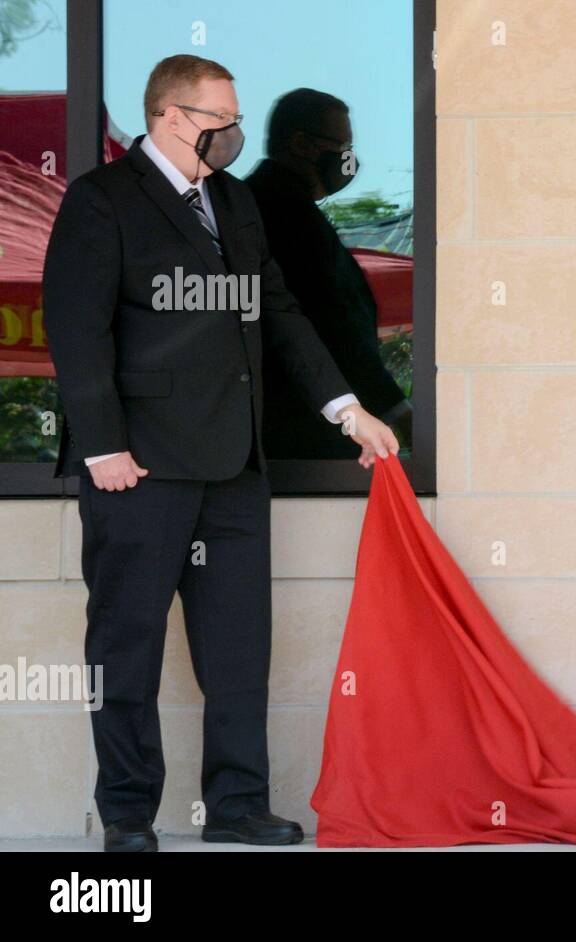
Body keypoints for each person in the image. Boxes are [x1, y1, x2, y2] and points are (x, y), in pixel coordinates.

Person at [42, 54, 398, 851]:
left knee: (240, 650)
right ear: (170, 116)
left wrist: (347, 409)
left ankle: (237, 806)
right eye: (220, 120)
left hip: (235, 467)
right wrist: (102, 445)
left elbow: (280, 314)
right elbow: (76, 327)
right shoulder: (101, 201)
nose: (234, 133)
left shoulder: (234, 202)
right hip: (138, 467)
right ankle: (128, 816)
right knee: (125, 649)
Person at [245, 88, 411, 458]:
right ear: (303, 145)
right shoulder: (284, 212)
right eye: (342, 144)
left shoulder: (268, 203)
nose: (348, 158)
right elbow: (333, 325)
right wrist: (395, 408)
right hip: (306, 428)